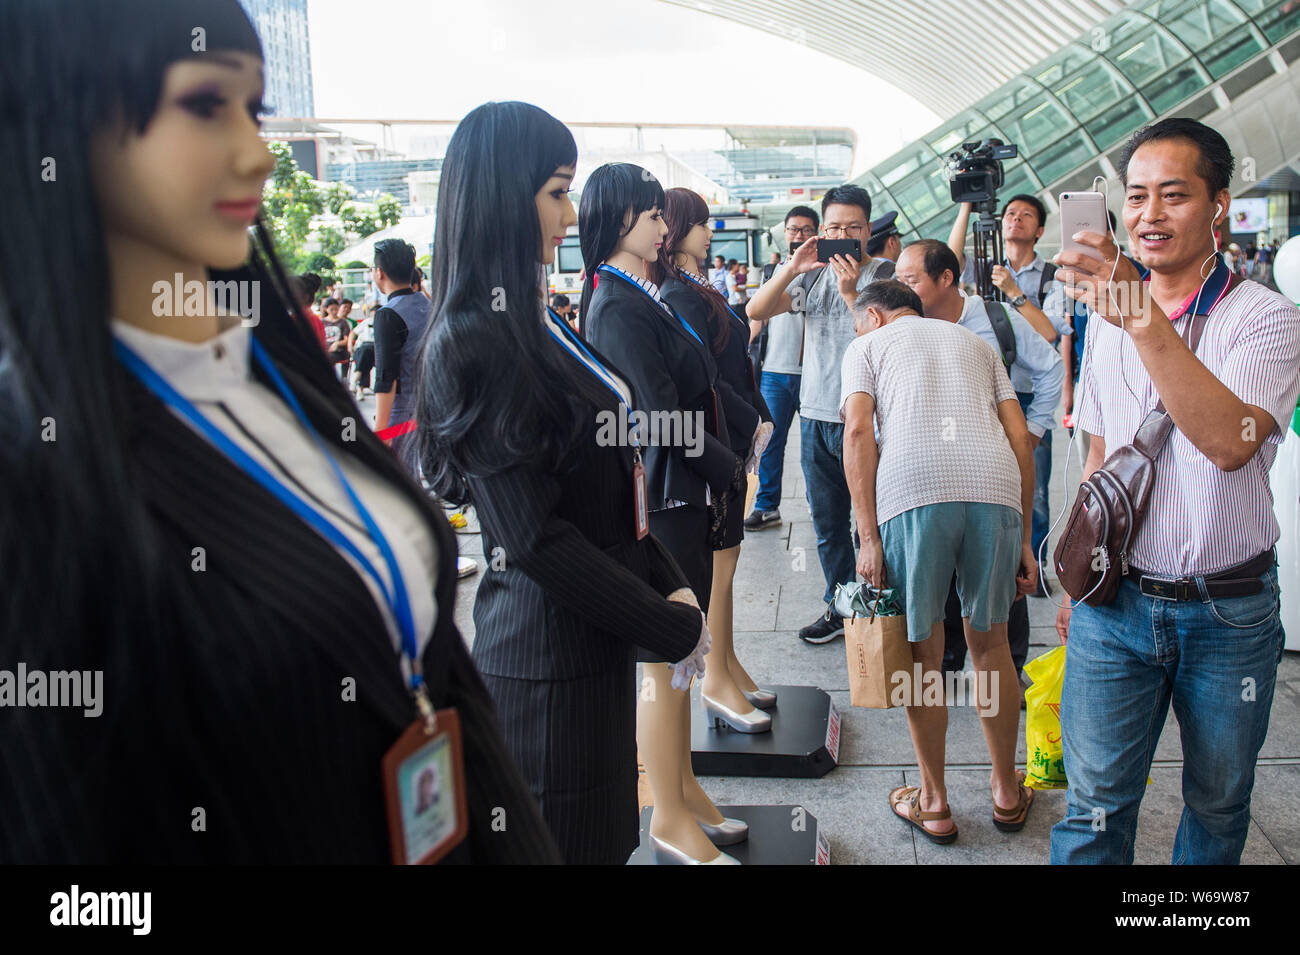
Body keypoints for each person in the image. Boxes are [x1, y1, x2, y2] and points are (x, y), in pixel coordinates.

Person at [0, 0, 558, 864]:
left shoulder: (280, 379)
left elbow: (435, 679)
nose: (257, 152)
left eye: (254, 110)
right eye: (203, 104)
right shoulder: (35, 473)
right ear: (63, 113)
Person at [416, 107, 712, 866]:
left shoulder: (540, 320)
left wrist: (669, 584)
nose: (570, 214)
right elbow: (535, 536)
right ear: (502, 197)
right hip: (544, 663)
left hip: (589, 643)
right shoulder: (477, 338)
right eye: (555, 191)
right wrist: (665, 617)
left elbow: (611, 486)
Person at [1051, 118, 1300, 865]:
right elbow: (1100, 448)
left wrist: (1140, 318)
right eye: (1136, 197)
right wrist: (1078, 571)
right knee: (1092, 805)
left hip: (1228, 611)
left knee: (1219, 804)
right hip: (1114, 605)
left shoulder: (1269, 320)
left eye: (1174, 195)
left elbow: (1230, 443)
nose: (1149, 215)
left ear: (1219, 205)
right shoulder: (1104, 318)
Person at [582, 163, 746, 864]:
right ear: (620, 219)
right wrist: (724, 465)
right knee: (667, 658)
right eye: (650, 213)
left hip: (684, 489)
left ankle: (684, 790)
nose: (661, 224)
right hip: (670, 490)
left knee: (683, 651)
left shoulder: (633, 294)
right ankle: (669, 814)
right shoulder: (616, 304)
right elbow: (655, 414)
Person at [843, 279, 1037, 842]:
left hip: (913, 491)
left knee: (925, 654)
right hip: (994, 487)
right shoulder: (973, 342)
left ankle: (934, 803)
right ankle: (1005, 791)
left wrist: (868, 536)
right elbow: (1020, 436)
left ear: (874, 317)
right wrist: (1025, 538)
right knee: (992, 644)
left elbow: (858, 430)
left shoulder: (867, 347)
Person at [895, 239, 1062, 682]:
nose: (901, 288)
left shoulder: (994, 318)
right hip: (933, 466)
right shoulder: (903, 326)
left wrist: (1036, 430)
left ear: (945, 278)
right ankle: (948, 663)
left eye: (910, 279)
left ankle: (1009, 665)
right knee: (945, 569)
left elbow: (1051, 368)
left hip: (994, 466)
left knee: (1004, 573)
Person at [745, 184, 896, 644]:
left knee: (878, 523)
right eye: (833, 227)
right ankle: (841, 605)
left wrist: (852, 293)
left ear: (868, 230)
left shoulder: (887, 274)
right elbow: (757, 309)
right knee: (828, 525)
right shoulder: (810, 275)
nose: (843, 234)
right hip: (815, 414)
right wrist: (792, 266)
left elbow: (879, 341)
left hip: (869, 419)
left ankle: (884, 610)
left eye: (852, 227)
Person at [655, 186, 776, 731]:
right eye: (702, 223)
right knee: (718, 570)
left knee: (726, 565)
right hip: (715, 442)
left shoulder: (693, 287)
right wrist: (745, 428)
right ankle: (718, 679)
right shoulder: (678, 295)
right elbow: (704, 380)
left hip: (728, 435)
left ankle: (726, 665)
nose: (710, 232)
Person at [745, 204, 818, 530]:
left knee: (816, 447)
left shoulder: (826, 271)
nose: (798, 235)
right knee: (770, 442)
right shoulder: (771, 272)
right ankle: (766, 505)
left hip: (814, 372)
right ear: (784, 234)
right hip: (775, 370)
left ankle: (822, 507)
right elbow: (756, 316)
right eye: (793, 229)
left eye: (805, 230)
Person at [371, 239, 430, 469]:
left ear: (379, 273)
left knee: (401, 482)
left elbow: (386, 376)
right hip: (431, 408)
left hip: (402, 413)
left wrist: (382, 429)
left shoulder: (388, 315)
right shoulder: (429, 306)